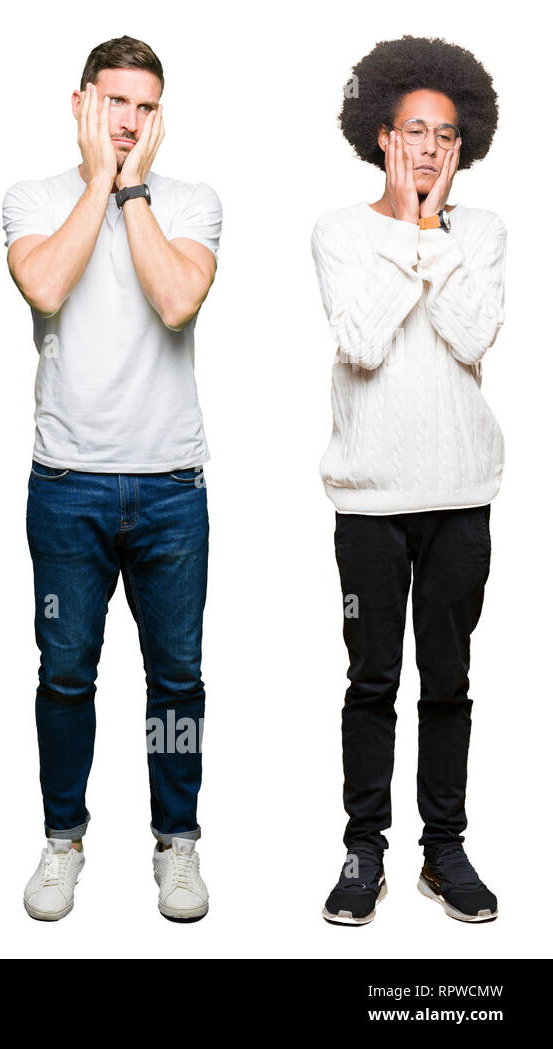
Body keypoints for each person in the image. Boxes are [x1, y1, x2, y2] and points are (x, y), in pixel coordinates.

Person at [2, 36, 221, 923]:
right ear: (82, 103)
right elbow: (46, 287)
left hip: (171, 486)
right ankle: (63, 839)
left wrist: (131, 190)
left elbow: (177, 301)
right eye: (115, 103)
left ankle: (178, 841)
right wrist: (102, 180)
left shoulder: (194, 203)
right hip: (68, 485)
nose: (130, 121)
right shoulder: (33, 199)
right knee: (65, 673)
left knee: (177, 678)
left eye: (146, 107)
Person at [313, 35, 503, 926]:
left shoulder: (485, 232)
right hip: (371, 503)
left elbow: (470, 337)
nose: (429, 149)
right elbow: (361, 340)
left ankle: (446, 848)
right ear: (381, 135)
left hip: (460, 496)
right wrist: (412, 230)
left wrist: (434, 232)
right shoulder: (340, 231)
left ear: (461, 149)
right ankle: (363, 851)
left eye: (445, 136)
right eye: (413, 132)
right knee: (371, 682)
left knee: (450, 682)